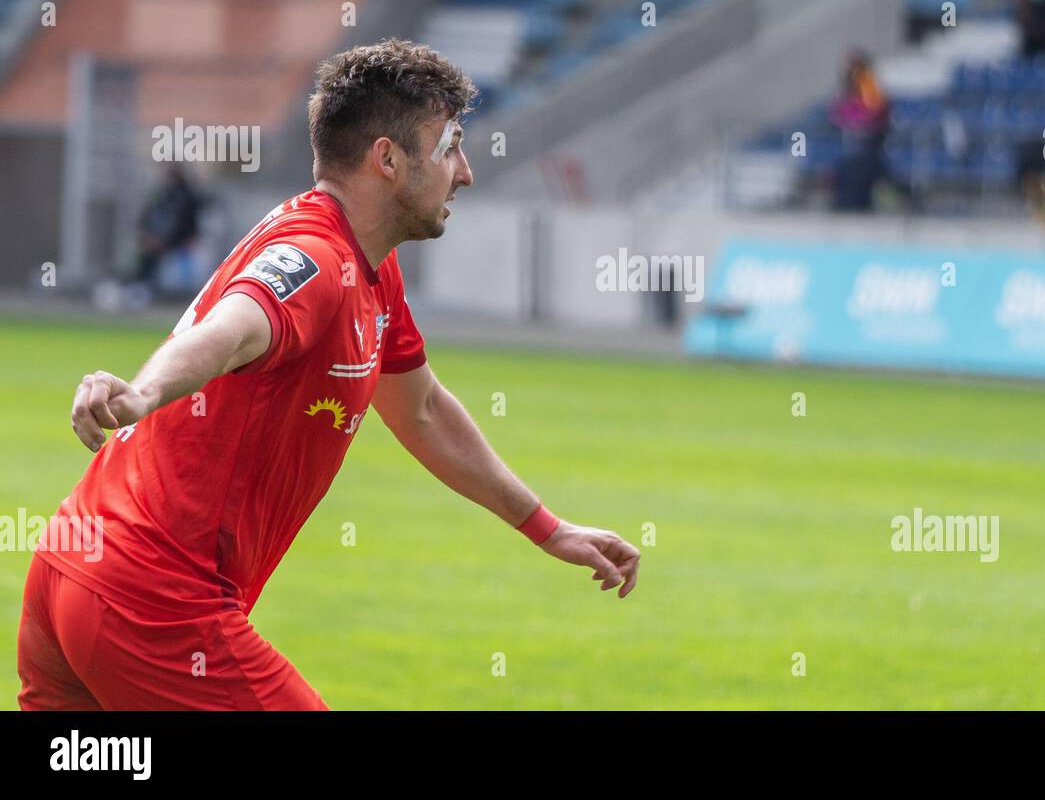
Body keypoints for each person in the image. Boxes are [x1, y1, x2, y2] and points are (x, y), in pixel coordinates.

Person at [18, 39, 640, 710]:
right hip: (152, 601)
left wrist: (548, 528)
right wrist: (143, 391)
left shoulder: (368, 264)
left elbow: (422, 410)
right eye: (450, 146)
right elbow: (232, 329)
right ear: (388, 160)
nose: (464, 171)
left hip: (71, 567)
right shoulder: (314, 259)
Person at [828, 51, 907, 212]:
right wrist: (851, 122)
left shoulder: (870, 86)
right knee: (846, 182)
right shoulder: (846, 92)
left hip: (869, 149)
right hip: (852, 150)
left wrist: (856, 123)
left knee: (864, 181)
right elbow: (837, 114)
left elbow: (876, 113)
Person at [132, 161, 203, 293]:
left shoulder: (185, 195)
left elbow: (184, 222)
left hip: (176, 240)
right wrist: (147, 235)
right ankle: (142, 287)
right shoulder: (162, 193)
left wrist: (163, 241)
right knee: (146, 257)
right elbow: (149, 215)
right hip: (160, 238)